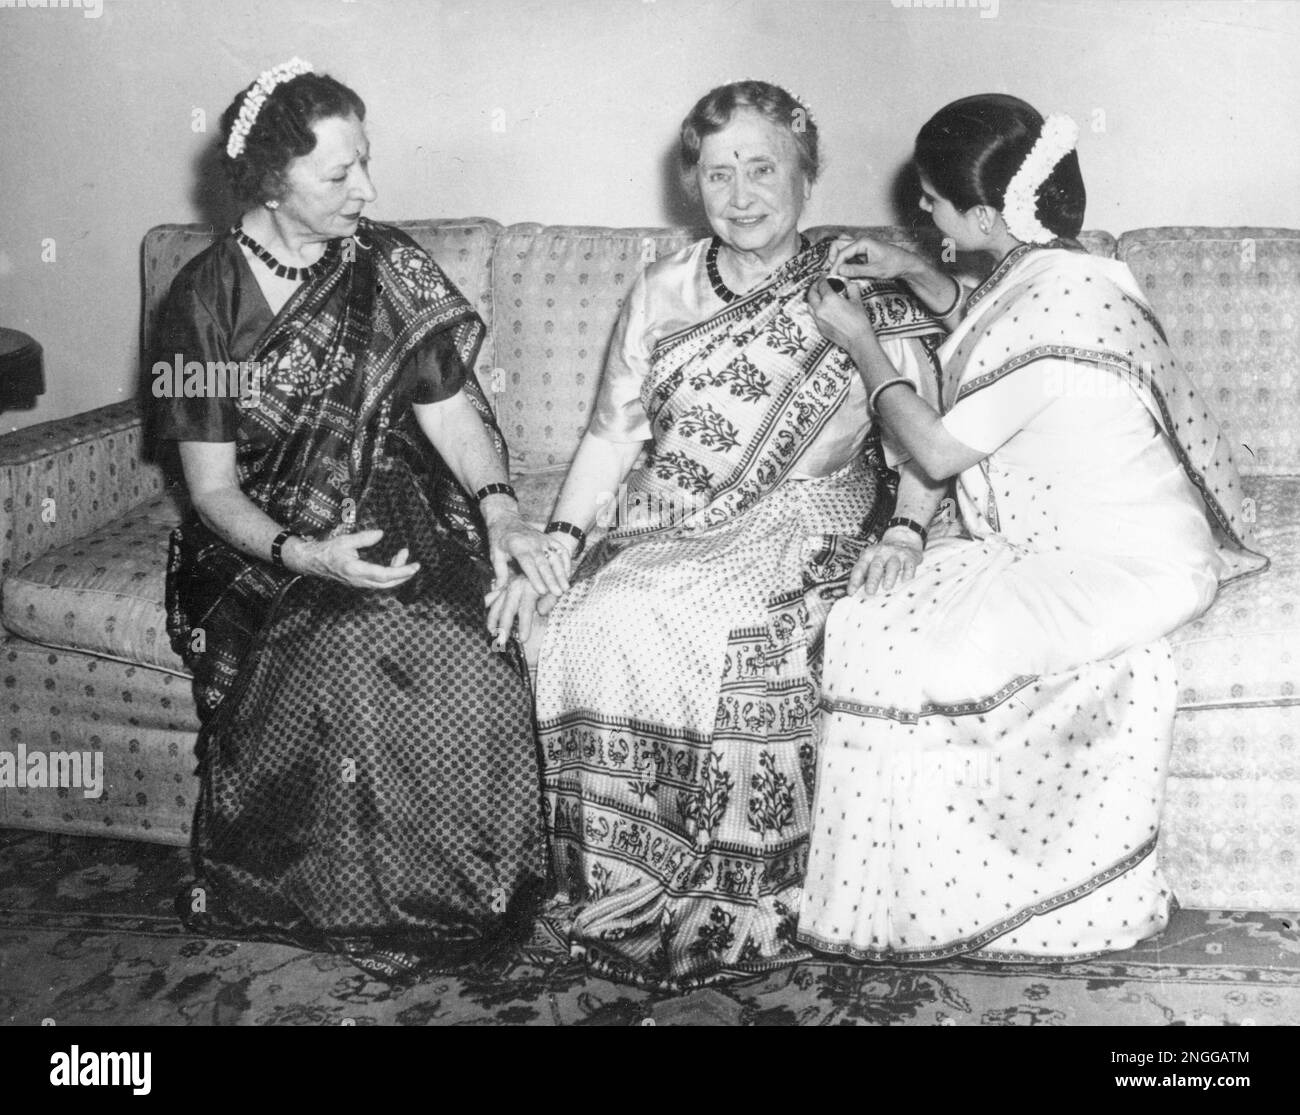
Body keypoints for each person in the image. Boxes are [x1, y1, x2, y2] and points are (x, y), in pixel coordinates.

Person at [489, 81, 949, 986]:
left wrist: (904, 533)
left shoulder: (856, 281)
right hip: (668, 515)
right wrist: (561, 541)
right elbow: (614, 436)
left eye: (762, 169)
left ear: (805, 178)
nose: (740, 195)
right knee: (586, 619)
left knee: (731, 628)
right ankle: (616, 890)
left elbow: (924, 434)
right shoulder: (662, 289)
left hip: (804, 516)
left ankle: (723, 898)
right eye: (718, 173)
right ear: (693, 185)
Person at [797, 94, 1266, 962]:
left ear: (984, 215)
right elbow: (989, 336)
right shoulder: (1062, 267)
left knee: (930, 659)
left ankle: (1015, 900)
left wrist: (862, 341)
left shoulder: (1064, 305)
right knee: (865, 621)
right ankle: (914, 893)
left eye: (933, 204)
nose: (924, 213)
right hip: (1061, 544)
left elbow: (936, 450)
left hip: (1126, 565)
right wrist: (913, 268)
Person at [156, 60, 563, 979]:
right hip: (268, 541)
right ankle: (323, 897)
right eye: (339, 176)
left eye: (365, 164)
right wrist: (311, 556)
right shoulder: (200, 303)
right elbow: (213, 495)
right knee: (341, 646)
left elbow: (451, 410)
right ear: (269, 181)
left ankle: (478, 894)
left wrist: (501, 512)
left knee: (475, 639)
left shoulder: (382, 262)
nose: (367, 191)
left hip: (400, 507)